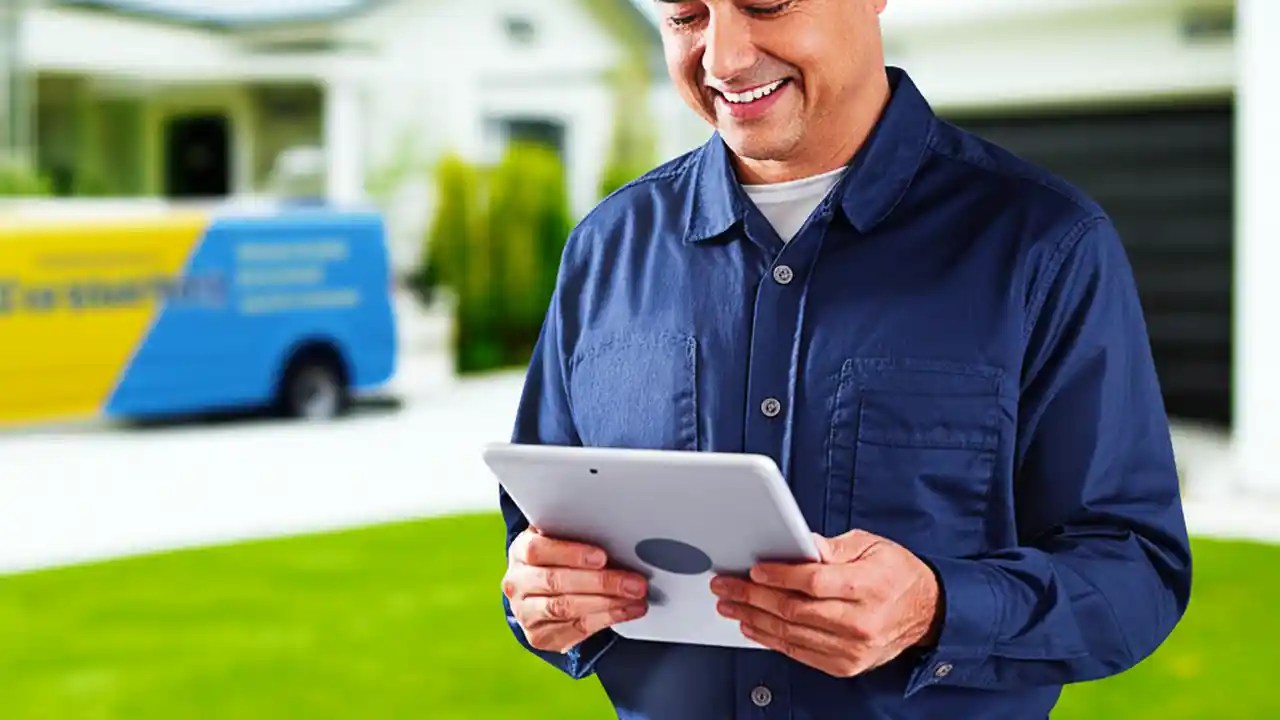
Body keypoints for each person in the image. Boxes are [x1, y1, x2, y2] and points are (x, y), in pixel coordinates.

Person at [499, 0, 1192, 717]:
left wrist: (935, 607)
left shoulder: (1045, 245)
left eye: (765, 4)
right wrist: (541, 598)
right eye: (686, 16)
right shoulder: (606, 249)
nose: (724, 58)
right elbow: (536, 539)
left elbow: (1137, 570)